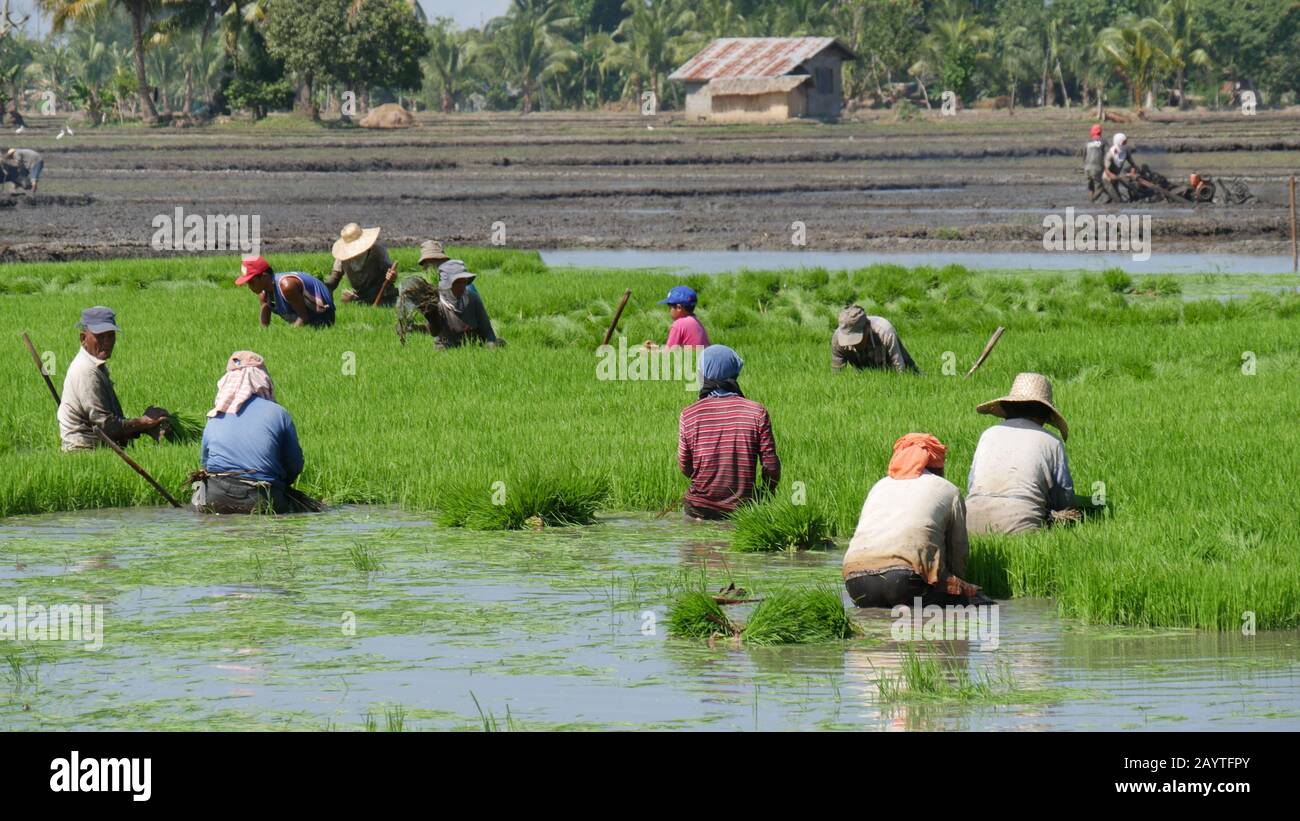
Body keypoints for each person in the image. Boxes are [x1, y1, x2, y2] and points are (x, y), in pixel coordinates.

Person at [842, 433, 989, 608]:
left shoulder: (879, 486)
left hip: (856, 581)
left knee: (878, 624)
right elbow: (958, 548)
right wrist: (958, 582)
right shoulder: (948, 490)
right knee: (979, 605)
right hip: (905, 581)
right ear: (937, 465)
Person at [191, 352, 308, 515]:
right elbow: (294, 464)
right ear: (262, 380)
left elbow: (205, 463)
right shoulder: (278, 413)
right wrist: (281, 485)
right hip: (260, 496)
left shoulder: (215, 415)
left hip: (212, 496)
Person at [966, 372, 1077, 535]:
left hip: (970, 524)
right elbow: (1064, 499)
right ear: (1045, 413)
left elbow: (972, 484)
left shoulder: (988, 434)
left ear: (1008, 407)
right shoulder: (1052, 442)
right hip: (1022, 528)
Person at [677, 345, 780, 520]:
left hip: (698, 508)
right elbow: (770, 467)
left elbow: (685, 466)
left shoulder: (689, 414)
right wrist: (765, 494)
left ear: (703, 374)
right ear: (735, 373)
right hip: (741, 509)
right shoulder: (756, 412)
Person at [57, 307, 170, 450]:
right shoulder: (86, 371)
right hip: (85, 451)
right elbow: (107, 427)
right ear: (83, 339)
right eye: (100, 336)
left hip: (101, 450)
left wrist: (146, 425)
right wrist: (143, 422)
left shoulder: (96, 365)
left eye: (111, 336)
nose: (107, 342)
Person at [398, 258, 500, 350]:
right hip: (447, 346)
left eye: (464, 282)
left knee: (495, 345)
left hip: (474, 345)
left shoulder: (473, 299)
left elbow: (488, 332)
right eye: (458, 283)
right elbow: (435, 332)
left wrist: (490, 346)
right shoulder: (436, 304)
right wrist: (421, 324)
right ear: (447, 285)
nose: (462, 287)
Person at [394, 240, 481, 341]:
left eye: (437, 261)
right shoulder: (429, 287)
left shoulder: (459, 282)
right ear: (424, 267)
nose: (434, 266)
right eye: (429, 263)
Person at [237, 256, 335, 328]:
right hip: (307, 320)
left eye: (251, 282)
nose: (249, 287)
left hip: (323, 317)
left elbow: (303, 318)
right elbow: (264, 325)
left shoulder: (287, 286)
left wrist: (289, 336)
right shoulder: (263, 294)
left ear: (264, 276)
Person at [324, 223, 397, 305]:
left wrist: (391, 276)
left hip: (380, 292)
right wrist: (324, 290)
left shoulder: (377, 252)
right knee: (347, 298)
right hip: (360, 293)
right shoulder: (343, 257)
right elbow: (333, 280)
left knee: (383, 300)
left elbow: (390, 273)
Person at [831, 305, 919, 373]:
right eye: (848, 339)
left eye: (854, 338)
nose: (851, 343)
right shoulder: (837, 338)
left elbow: (900, 368)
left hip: (890, 366)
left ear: (867, 327)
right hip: (863, 373)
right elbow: (837, 373)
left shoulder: (884, 331)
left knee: (912, 372)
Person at [645, 286, 709, 349]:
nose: (668, 310)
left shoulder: (678, 325)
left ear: (679, 308)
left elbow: (667, 355)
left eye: (669, 306)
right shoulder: (697, 322)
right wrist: (656, 347)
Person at [1104, 132, 1137, 202]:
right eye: (1124, 142)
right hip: (1107, 178)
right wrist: (1111, 176)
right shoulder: (1110, 154)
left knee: (1129, 187)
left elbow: (1133, 164)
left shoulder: (1126, 151)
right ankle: (1093, 200)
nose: (1125, 144)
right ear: (1118, 142)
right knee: (1118, 201)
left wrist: (1133, 170)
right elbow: (1106, 169)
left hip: (1117, 176)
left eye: (1126, 142)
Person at [1084, 124, 1109, 202]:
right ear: (1100, 132)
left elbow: (1084, 156)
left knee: (1091, 186)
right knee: (1101, 187)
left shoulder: (1087, 142)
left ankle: (1091, 200)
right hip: (1097, 167)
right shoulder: (1103, 141)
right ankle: (1092, 201)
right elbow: (1108, 153)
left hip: (1087, 168)